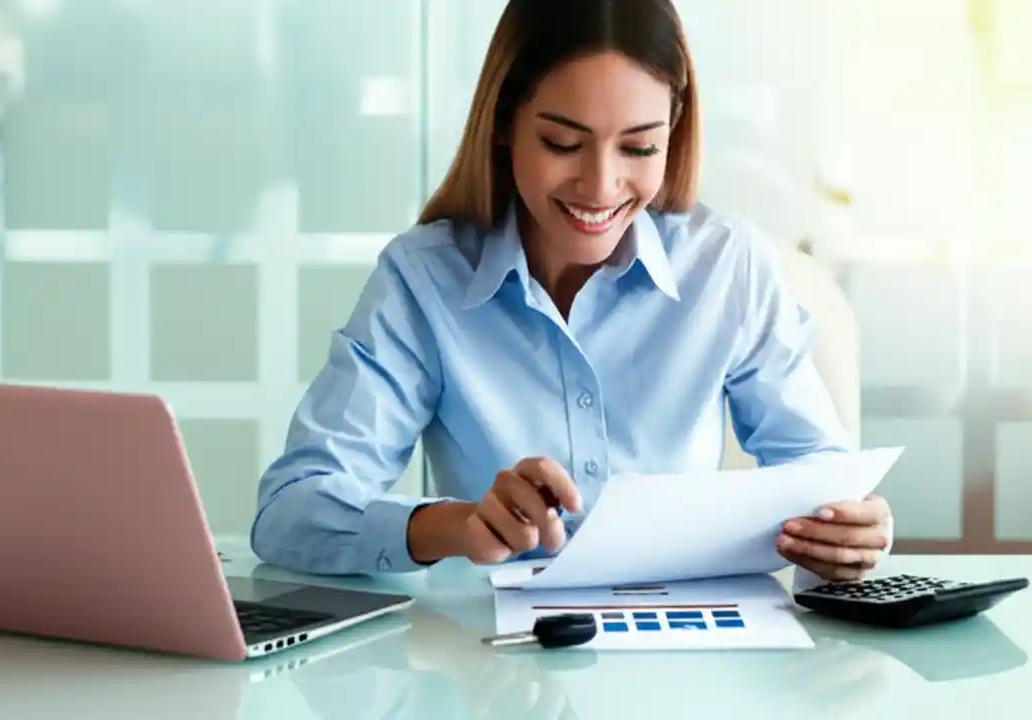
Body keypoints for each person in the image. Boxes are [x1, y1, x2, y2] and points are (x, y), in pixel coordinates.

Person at [251, 0, 893, 586]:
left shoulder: (728, 265)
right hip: (494, 671)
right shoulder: (424, 279)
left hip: (692, 656)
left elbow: (821, 480)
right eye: (562, 143)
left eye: (640, 147)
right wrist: (458, 525)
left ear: (673, 132)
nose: (600, 185)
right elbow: (292, 511)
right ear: (504, 124)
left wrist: (849, 530)